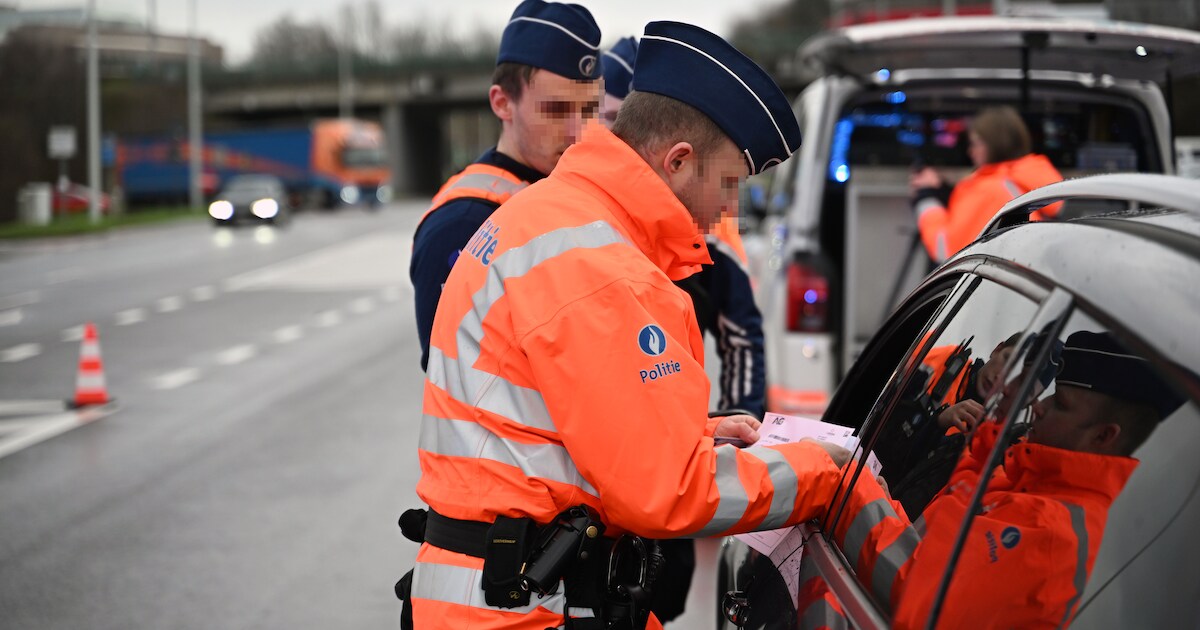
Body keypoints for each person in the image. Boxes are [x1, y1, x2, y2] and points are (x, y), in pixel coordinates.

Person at [401, 21, 851, 630]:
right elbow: (668, 492)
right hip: (523, 609)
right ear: (679, 161)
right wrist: (823, 470)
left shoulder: (550, 217)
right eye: (728, 184)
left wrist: (696, 431)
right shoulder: (605, 267)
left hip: (492, 596)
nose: (728, 210)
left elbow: (549, 415)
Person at [821, 330, 1183, 629]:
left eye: (1060, 404)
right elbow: (932, 547)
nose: (1037, 405)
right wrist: (884, 503)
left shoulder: (1049, 534)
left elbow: (918, 597)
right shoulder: (1020, 477)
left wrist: (851, 486)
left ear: (1103, 436)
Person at [410, 0, 602, 371]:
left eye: (588, 110)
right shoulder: (462, 224)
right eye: (556, 110)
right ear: (502, 103)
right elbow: (455, 381)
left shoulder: (583, 196)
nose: (577, 131)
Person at [601, 35, 767, 420]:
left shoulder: (710, 234)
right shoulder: (573, 220)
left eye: (614, 120)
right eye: (602, 119)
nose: (610, 136)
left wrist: (740, 419)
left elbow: (742, 338)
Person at [910, 106, 1063, 263]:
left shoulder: (989, 189)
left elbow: (947, 249)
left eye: (975, 143)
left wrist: (927, 198)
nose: (970, 151)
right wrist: (943, 190)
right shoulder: (1033, 176)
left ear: (994, 144)